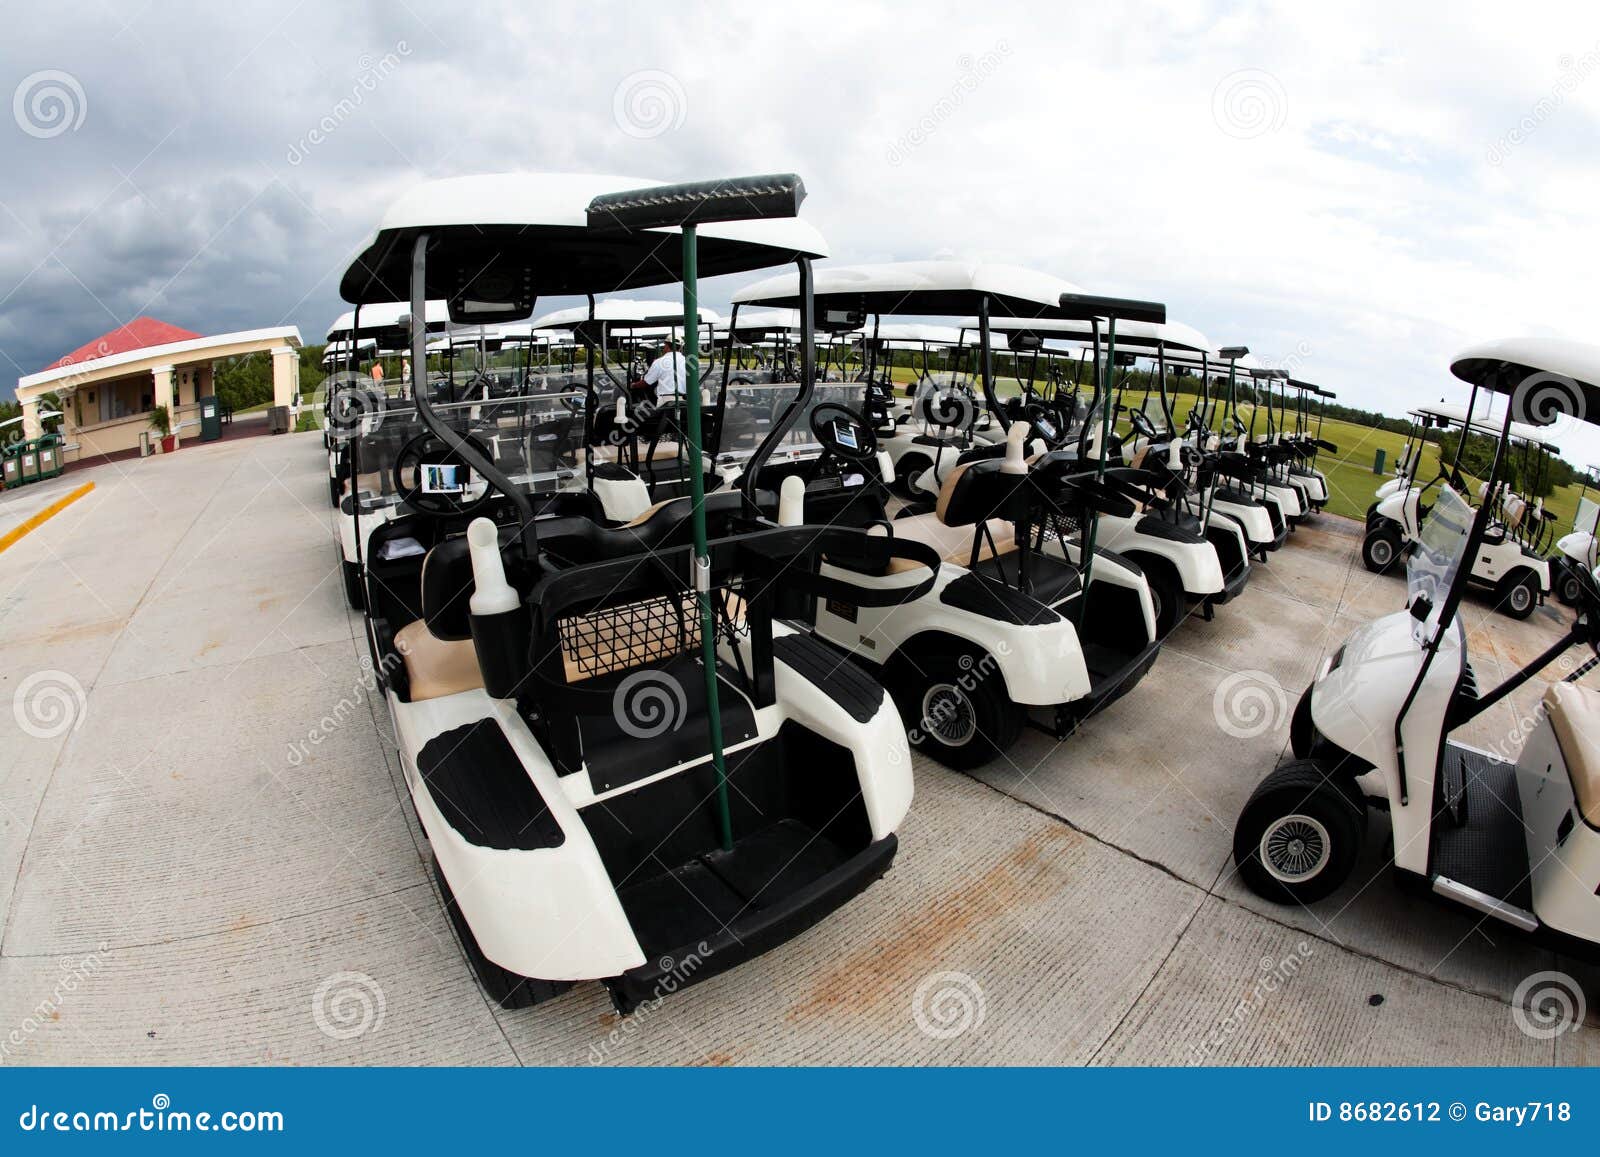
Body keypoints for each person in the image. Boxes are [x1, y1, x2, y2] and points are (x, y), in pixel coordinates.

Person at [642, 339, 688, 405]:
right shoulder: (687, 361)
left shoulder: (659, 361)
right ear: (680, 347)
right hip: (686, 400)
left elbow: (647, 382)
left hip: (666, 401)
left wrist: (633, 385)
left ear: (666, 346)